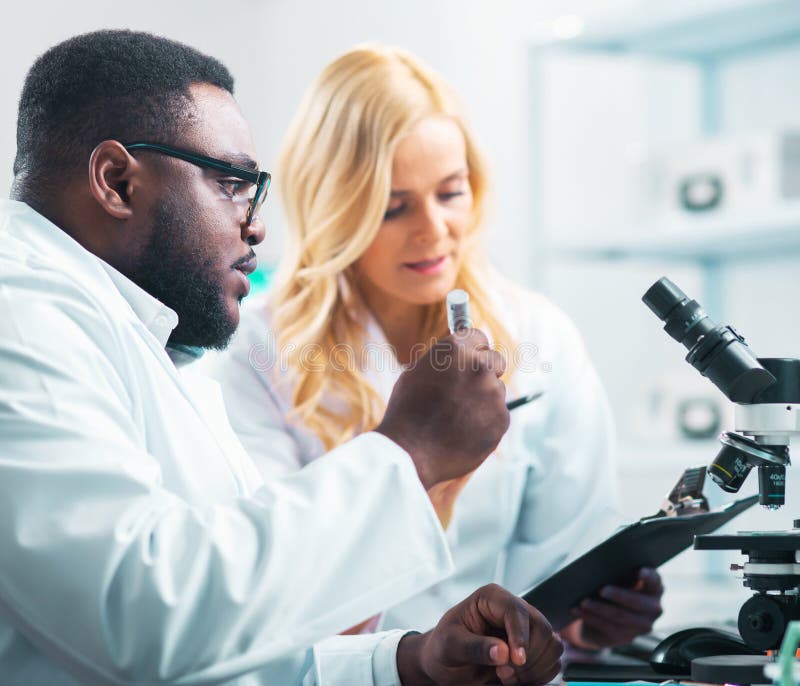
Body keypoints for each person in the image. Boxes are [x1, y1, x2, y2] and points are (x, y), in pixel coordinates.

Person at [0, 30, 564, 686]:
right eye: (233, 185)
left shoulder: (123, 333)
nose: (257, 226)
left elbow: (225, 645)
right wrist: (409, 452)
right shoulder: (19, 310)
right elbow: (144, 615)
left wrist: (410, 661)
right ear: (118, 180)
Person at [208, 44, 664, 649]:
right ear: (336, 208)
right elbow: (267, 600)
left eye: (450, 193)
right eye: (393, 207)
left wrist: (595, 616)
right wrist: (424, 470)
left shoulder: (537, 336)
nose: (433, 230)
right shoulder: (257, 351)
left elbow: (562, 561)